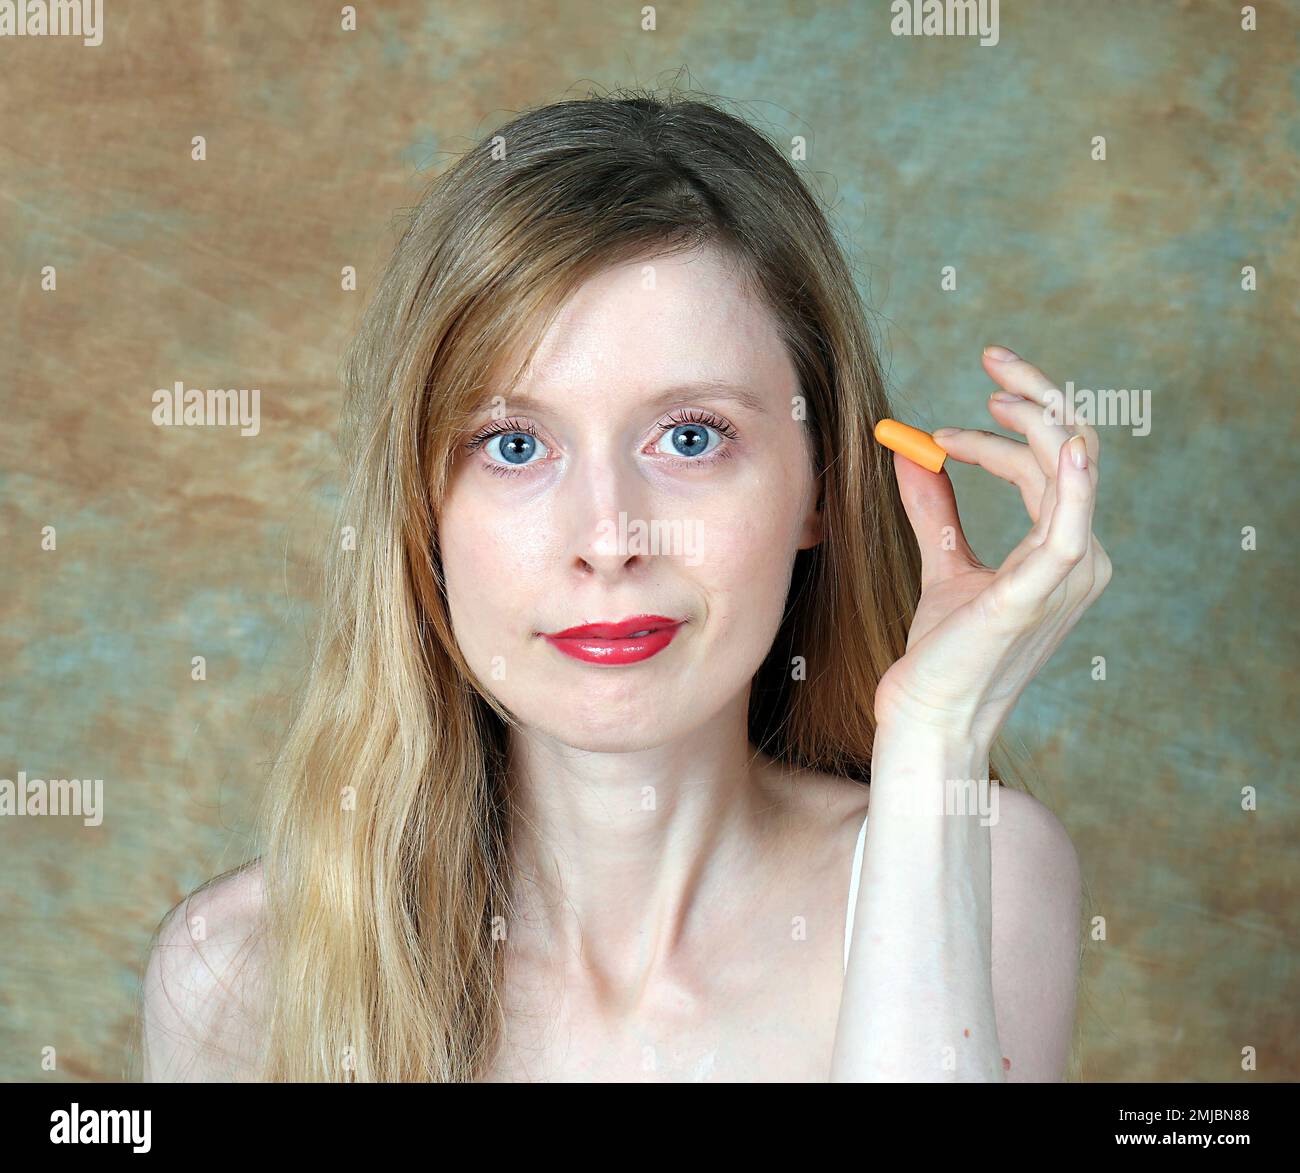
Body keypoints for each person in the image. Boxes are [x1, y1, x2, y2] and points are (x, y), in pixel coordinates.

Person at [138, 88, 1108, 1083]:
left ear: (819, 483)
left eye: (689, 437)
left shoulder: (971, 863)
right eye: (513, 446)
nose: (608, 540)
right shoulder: (236, 978)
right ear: (420, 512)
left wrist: (938, 736)